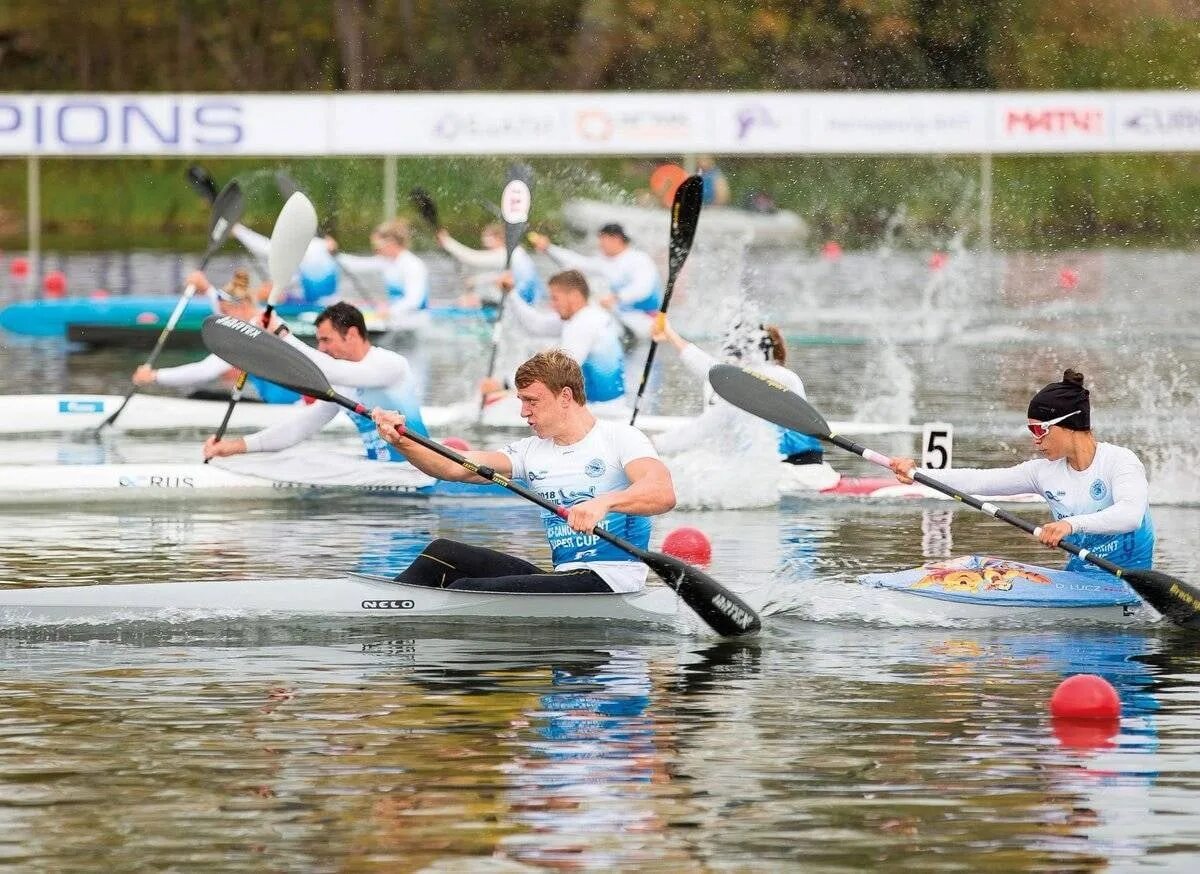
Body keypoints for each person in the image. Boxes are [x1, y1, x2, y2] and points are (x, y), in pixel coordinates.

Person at [371, 349, 676, 594]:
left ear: (565, 397)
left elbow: (661, 492)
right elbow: (454, 466)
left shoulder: (619, 438)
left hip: (613, 581)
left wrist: (604, 503)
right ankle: (381, 603)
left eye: (532, 401)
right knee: (442, 553)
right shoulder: (530, 451)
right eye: (521, 401)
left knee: (465, 589)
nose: (523, 411)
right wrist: (402, 441)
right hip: (566, 578)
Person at [890, 369, 1155, 574]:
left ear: (1067, 424)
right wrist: (918, 474)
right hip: (1079, 579)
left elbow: (1130, 515)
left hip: (1128, 581)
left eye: (1039, 430)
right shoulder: (1043, 472)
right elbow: (980, 480)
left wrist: (1069, 524)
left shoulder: (1121, 462)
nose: (1035, 440)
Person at [203, 301, 428, 462]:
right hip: (381, 473)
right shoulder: (340, 385)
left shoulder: (390, 364)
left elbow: (329, 370)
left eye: (326, 340)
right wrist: (234, 447)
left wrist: (281, 332)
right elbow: (300, 427)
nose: (321, 348)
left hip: (416, 471)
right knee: (295, 461)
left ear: (350, 334)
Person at [650, 315, 838, 491]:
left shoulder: (741, 387)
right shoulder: (786, 377)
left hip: (784, 476)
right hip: (815, 468)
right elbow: (707, 366)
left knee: (691, 466)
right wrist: (670, 333)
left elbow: (700, 429)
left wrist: (654, 445)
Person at [131, 268, 300, 404]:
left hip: (283, 407)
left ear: (242, 305)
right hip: (278, 401)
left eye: (226, 313)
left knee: (197, 396)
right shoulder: (262, 316)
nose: (223, 319)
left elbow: (205, 371)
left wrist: (155, 376)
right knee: (200, 394)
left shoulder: (254, 332)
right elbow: (223, 306)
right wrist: (205, 287)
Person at [481, 269, 627, 412]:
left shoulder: (583, 324)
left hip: (596, 409)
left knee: (498, 404)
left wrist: (504, 384)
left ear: (574, 296)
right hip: (610, 405)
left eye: (555, 298)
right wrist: (511, 293)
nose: (552, 304)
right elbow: (536, 325)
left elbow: (557, 370)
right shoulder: (587, 316)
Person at [529, 223, 662, 340]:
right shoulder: (604, 261)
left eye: (603, 240)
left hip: (645, 319)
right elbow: (576, 262)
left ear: (616, 239)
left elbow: (643, 288)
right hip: (620, 317)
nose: (600, 245)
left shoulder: (640, 260)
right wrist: (549, 248)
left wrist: (617, 297)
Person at [329, 219, 430, 330]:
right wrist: (334, 253)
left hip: (416, 321)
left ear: (391, 242)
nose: (375, 249)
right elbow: (356, 264)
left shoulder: (413, 265)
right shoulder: (387, 262)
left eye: (377, 245)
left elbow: (414, 300)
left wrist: (389, 311)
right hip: (397, 319)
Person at [437, 222, 545, 308]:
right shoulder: (517, 252)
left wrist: (447, 242)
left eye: (489, 244)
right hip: (530, 301)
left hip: (521, 302)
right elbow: (504, 275)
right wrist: (477, 280)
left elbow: (472, 258)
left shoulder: (508, 254)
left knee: (466, 301)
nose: (488, 249)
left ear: (499, 239)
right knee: (481, 293)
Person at [231, 223, 338, 304]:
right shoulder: (320, 244)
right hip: (326, 299)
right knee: (270, 287)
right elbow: (332, 246)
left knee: (264, 290)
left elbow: (263, 247)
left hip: (306, 301)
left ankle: (237, 303)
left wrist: (238, 230)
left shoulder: (298, 248)